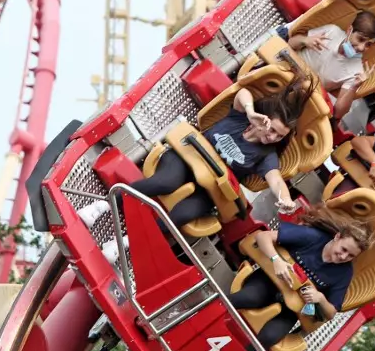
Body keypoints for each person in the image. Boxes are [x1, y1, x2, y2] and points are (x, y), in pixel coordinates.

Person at [79, 76, 318, 262]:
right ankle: (101, 206)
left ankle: (125, 243)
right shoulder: (241, 119)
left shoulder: (267, 155)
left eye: (279, 136)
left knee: (182, 216)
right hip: (186, 157)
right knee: (165, 182)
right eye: (273, 129)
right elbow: (241, 93)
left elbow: (275, 180)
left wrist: (285, 200)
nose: (272, 137)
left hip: (209, 187)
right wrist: (251, 112)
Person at [227, 203, 375, 349]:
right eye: (344, 249)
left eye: (351, 255)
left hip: (292, 308)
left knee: (270, 337)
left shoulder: (345, 273)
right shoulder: (312, 237)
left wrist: (320, 298)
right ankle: (208, 314)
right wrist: (276, 260)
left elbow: (331, 312)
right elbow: (262, 237)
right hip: (270, 283)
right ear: (337, 237)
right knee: (249, 298)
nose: (344, 256)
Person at [287, 10, 375, 119]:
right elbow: (290, 43)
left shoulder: (356, 71)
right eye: (360, 39)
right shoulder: (332, 31)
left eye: (368, 45)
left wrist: (354, 87)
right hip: (286, 69)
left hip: (300, 94)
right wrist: (305, 40)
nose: (361, 47)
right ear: (349, 30)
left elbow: (338, 113)